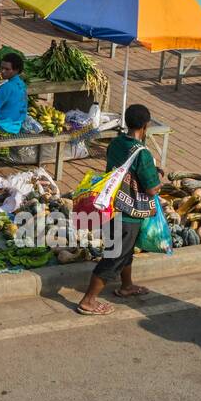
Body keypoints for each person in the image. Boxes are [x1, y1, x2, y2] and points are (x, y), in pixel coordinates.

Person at [76, 103, 162, 316]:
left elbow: (125, 168)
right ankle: (88, 300)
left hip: (111, 206)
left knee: (125, 252)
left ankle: (126, 286)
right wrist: (159, 180)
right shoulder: (142, 152)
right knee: (114, 256)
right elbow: (151, 189)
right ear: (145, 125)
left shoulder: (115, 143)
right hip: (128, 214)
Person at [0, 51, 28, 135]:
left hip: (3, 126)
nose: (2, 71)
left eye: (7, 69)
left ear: (16, 70)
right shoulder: (21, 84)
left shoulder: (7, 87)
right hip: (17, 124)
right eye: (1, 68)